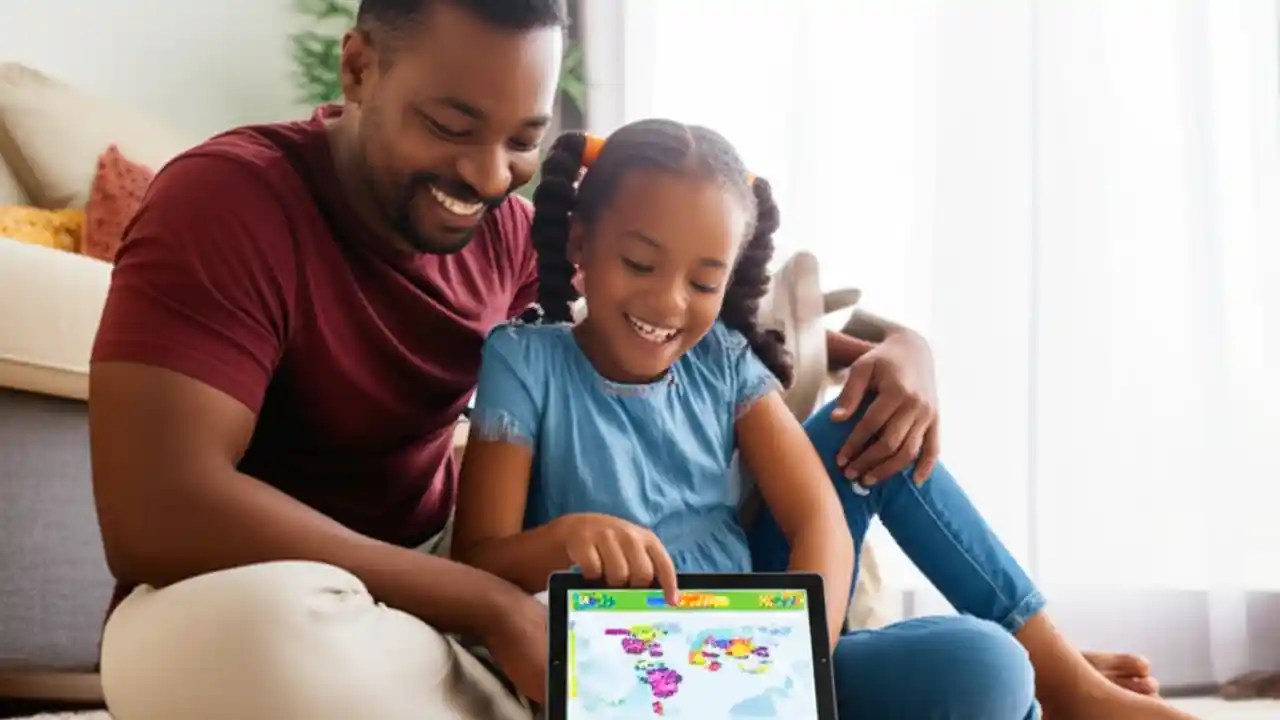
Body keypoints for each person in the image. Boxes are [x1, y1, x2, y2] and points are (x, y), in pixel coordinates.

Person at [84, 0, 1165, 718]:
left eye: (519, 136)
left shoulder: (501, 227)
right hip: (308, 592)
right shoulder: (227, 202)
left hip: (508, 606)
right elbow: (156, 512)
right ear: (357, 64)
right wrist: (487, 601)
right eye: (451, 122)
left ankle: (1021, 672)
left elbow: (689, 335)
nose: (488, 173)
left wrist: (903, 353)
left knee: (932, 613)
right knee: (264, 645)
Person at [447, 121, 1198, 720]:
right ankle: (1047, 690)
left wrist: (799, 655)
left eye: (704, 281)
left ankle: (1057, 680)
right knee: (991, 679)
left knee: (991, 661)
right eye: (640, 265)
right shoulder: (526, 362)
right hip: (628, 668)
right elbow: (476, 566)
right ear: (581, 243)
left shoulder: (723, 360)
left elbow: (819, 521)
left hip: (768, 644)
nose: (669, 303)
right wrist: (563, 541)